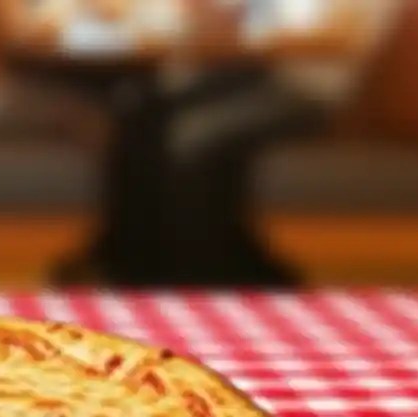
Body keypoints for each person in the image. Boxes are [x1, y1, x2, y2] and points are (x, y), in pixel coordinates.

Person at [158, 0, 405, 285]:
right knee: (162, 116)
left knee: (193, 134)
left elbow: (333, 39)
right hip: (279, 78)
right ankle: (169, 260)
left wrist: (253, 32)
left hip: (313, 95)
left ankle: (214, 268)